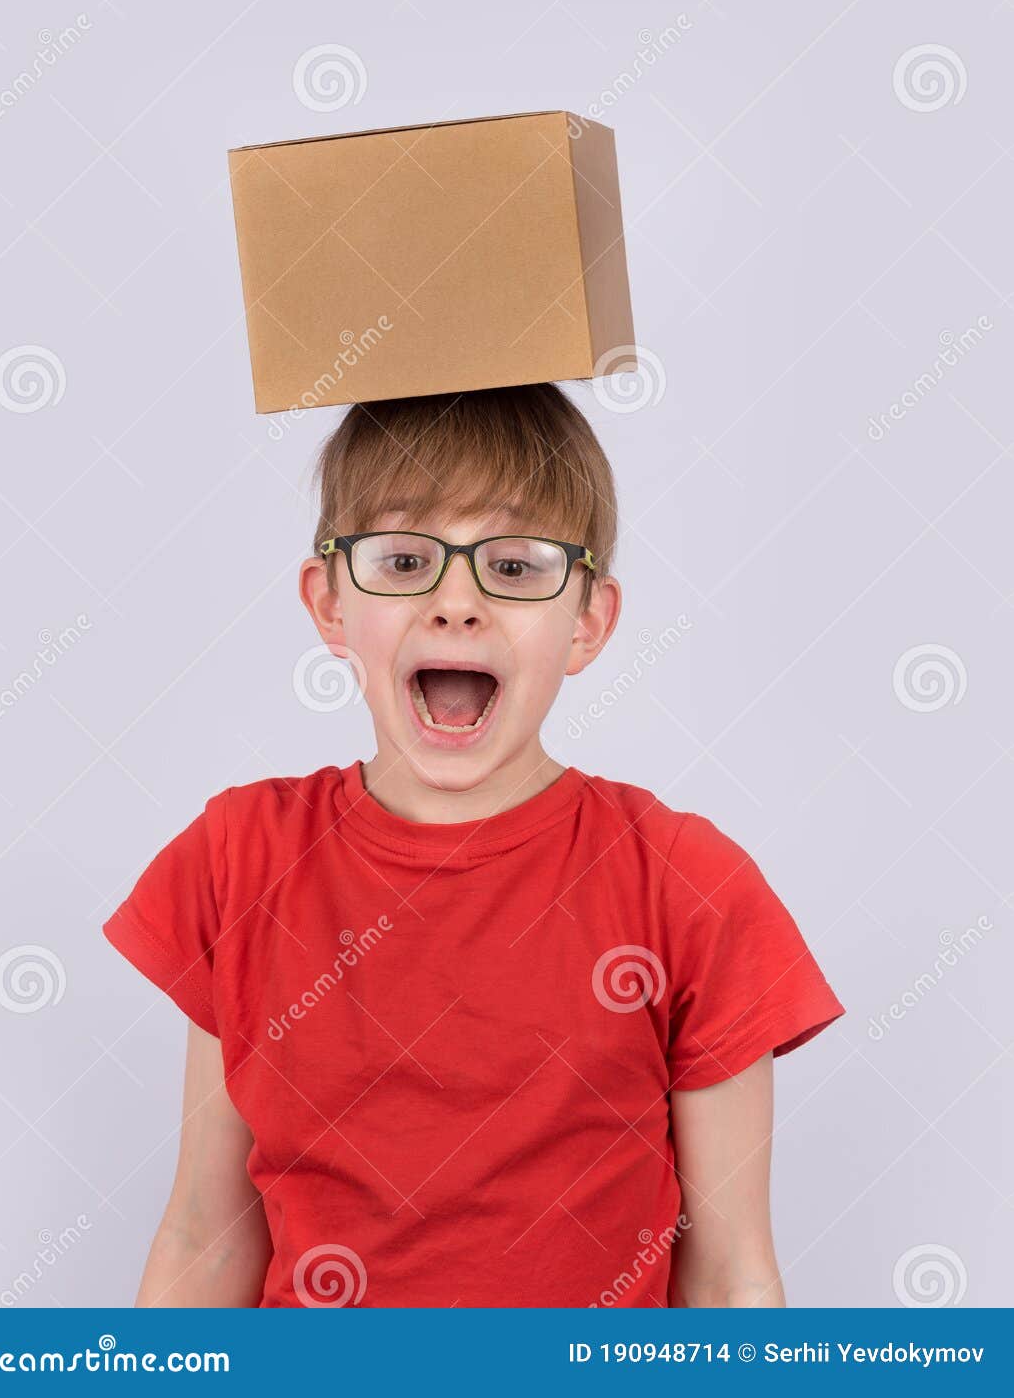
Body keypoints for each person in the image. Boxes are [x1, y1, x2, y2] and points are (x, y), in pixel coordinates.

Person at [103, 383, 844, 1308]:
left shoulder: (686, 885)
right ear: (330, 605)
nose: (456, 604)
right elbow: (207, 1237)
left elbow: (731, 1274)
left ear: (589, 622)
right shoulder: (240, 861)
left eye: (518, 566)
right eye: (406, 558)